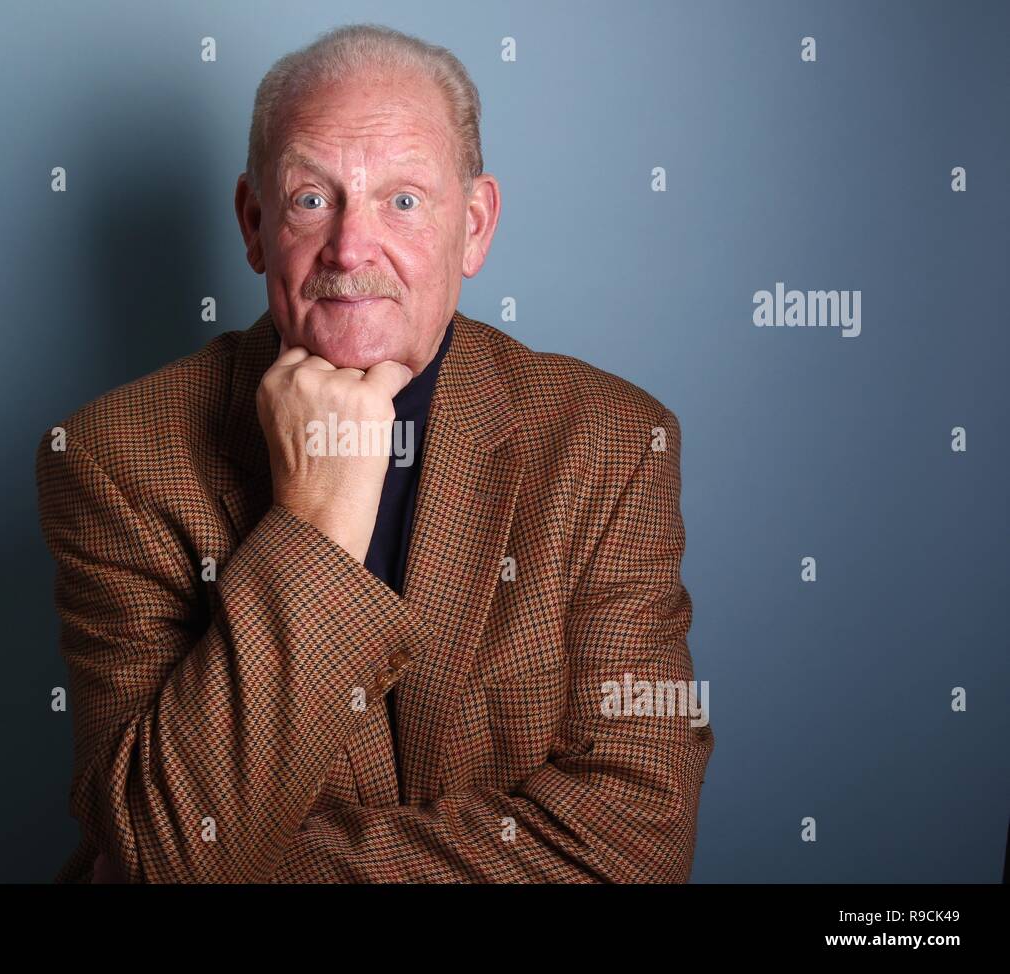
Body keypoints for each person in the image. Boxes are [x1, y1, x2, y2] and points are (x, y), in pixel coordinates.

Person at [35, 22, 713, 883]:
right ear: (254, 224)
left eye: (402, 200)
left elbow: (635, 846)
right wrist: (315, 524)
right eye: (313, 198)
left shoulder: (610, 446)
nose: (351, 248)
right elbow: (171, 853)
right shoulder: (113, 462)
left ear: (473, 227)